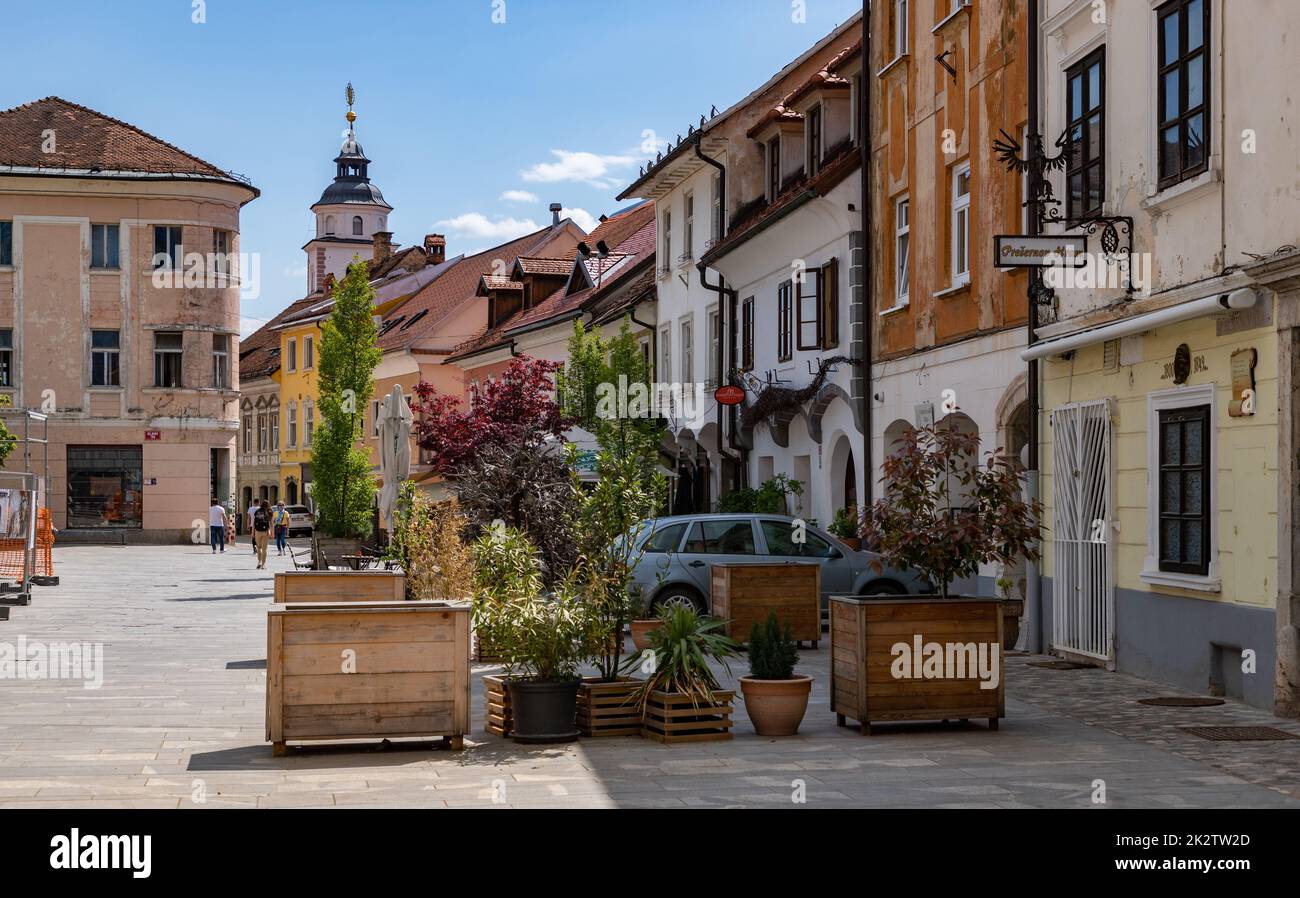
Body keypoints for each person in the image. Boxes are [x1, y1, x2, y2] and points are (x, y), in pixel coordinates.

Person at [252, 501, 271, 569]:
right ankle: (263, 565)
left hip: (257, 531)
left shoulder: (257, 511)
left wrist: (252, 532)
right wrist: (270, 531)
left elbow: (254, 522)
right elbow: (270, 522)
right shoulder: (269, 511)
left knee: (259, 547)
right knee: (264, 549)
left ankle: (259, 561)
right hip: (265, 531)